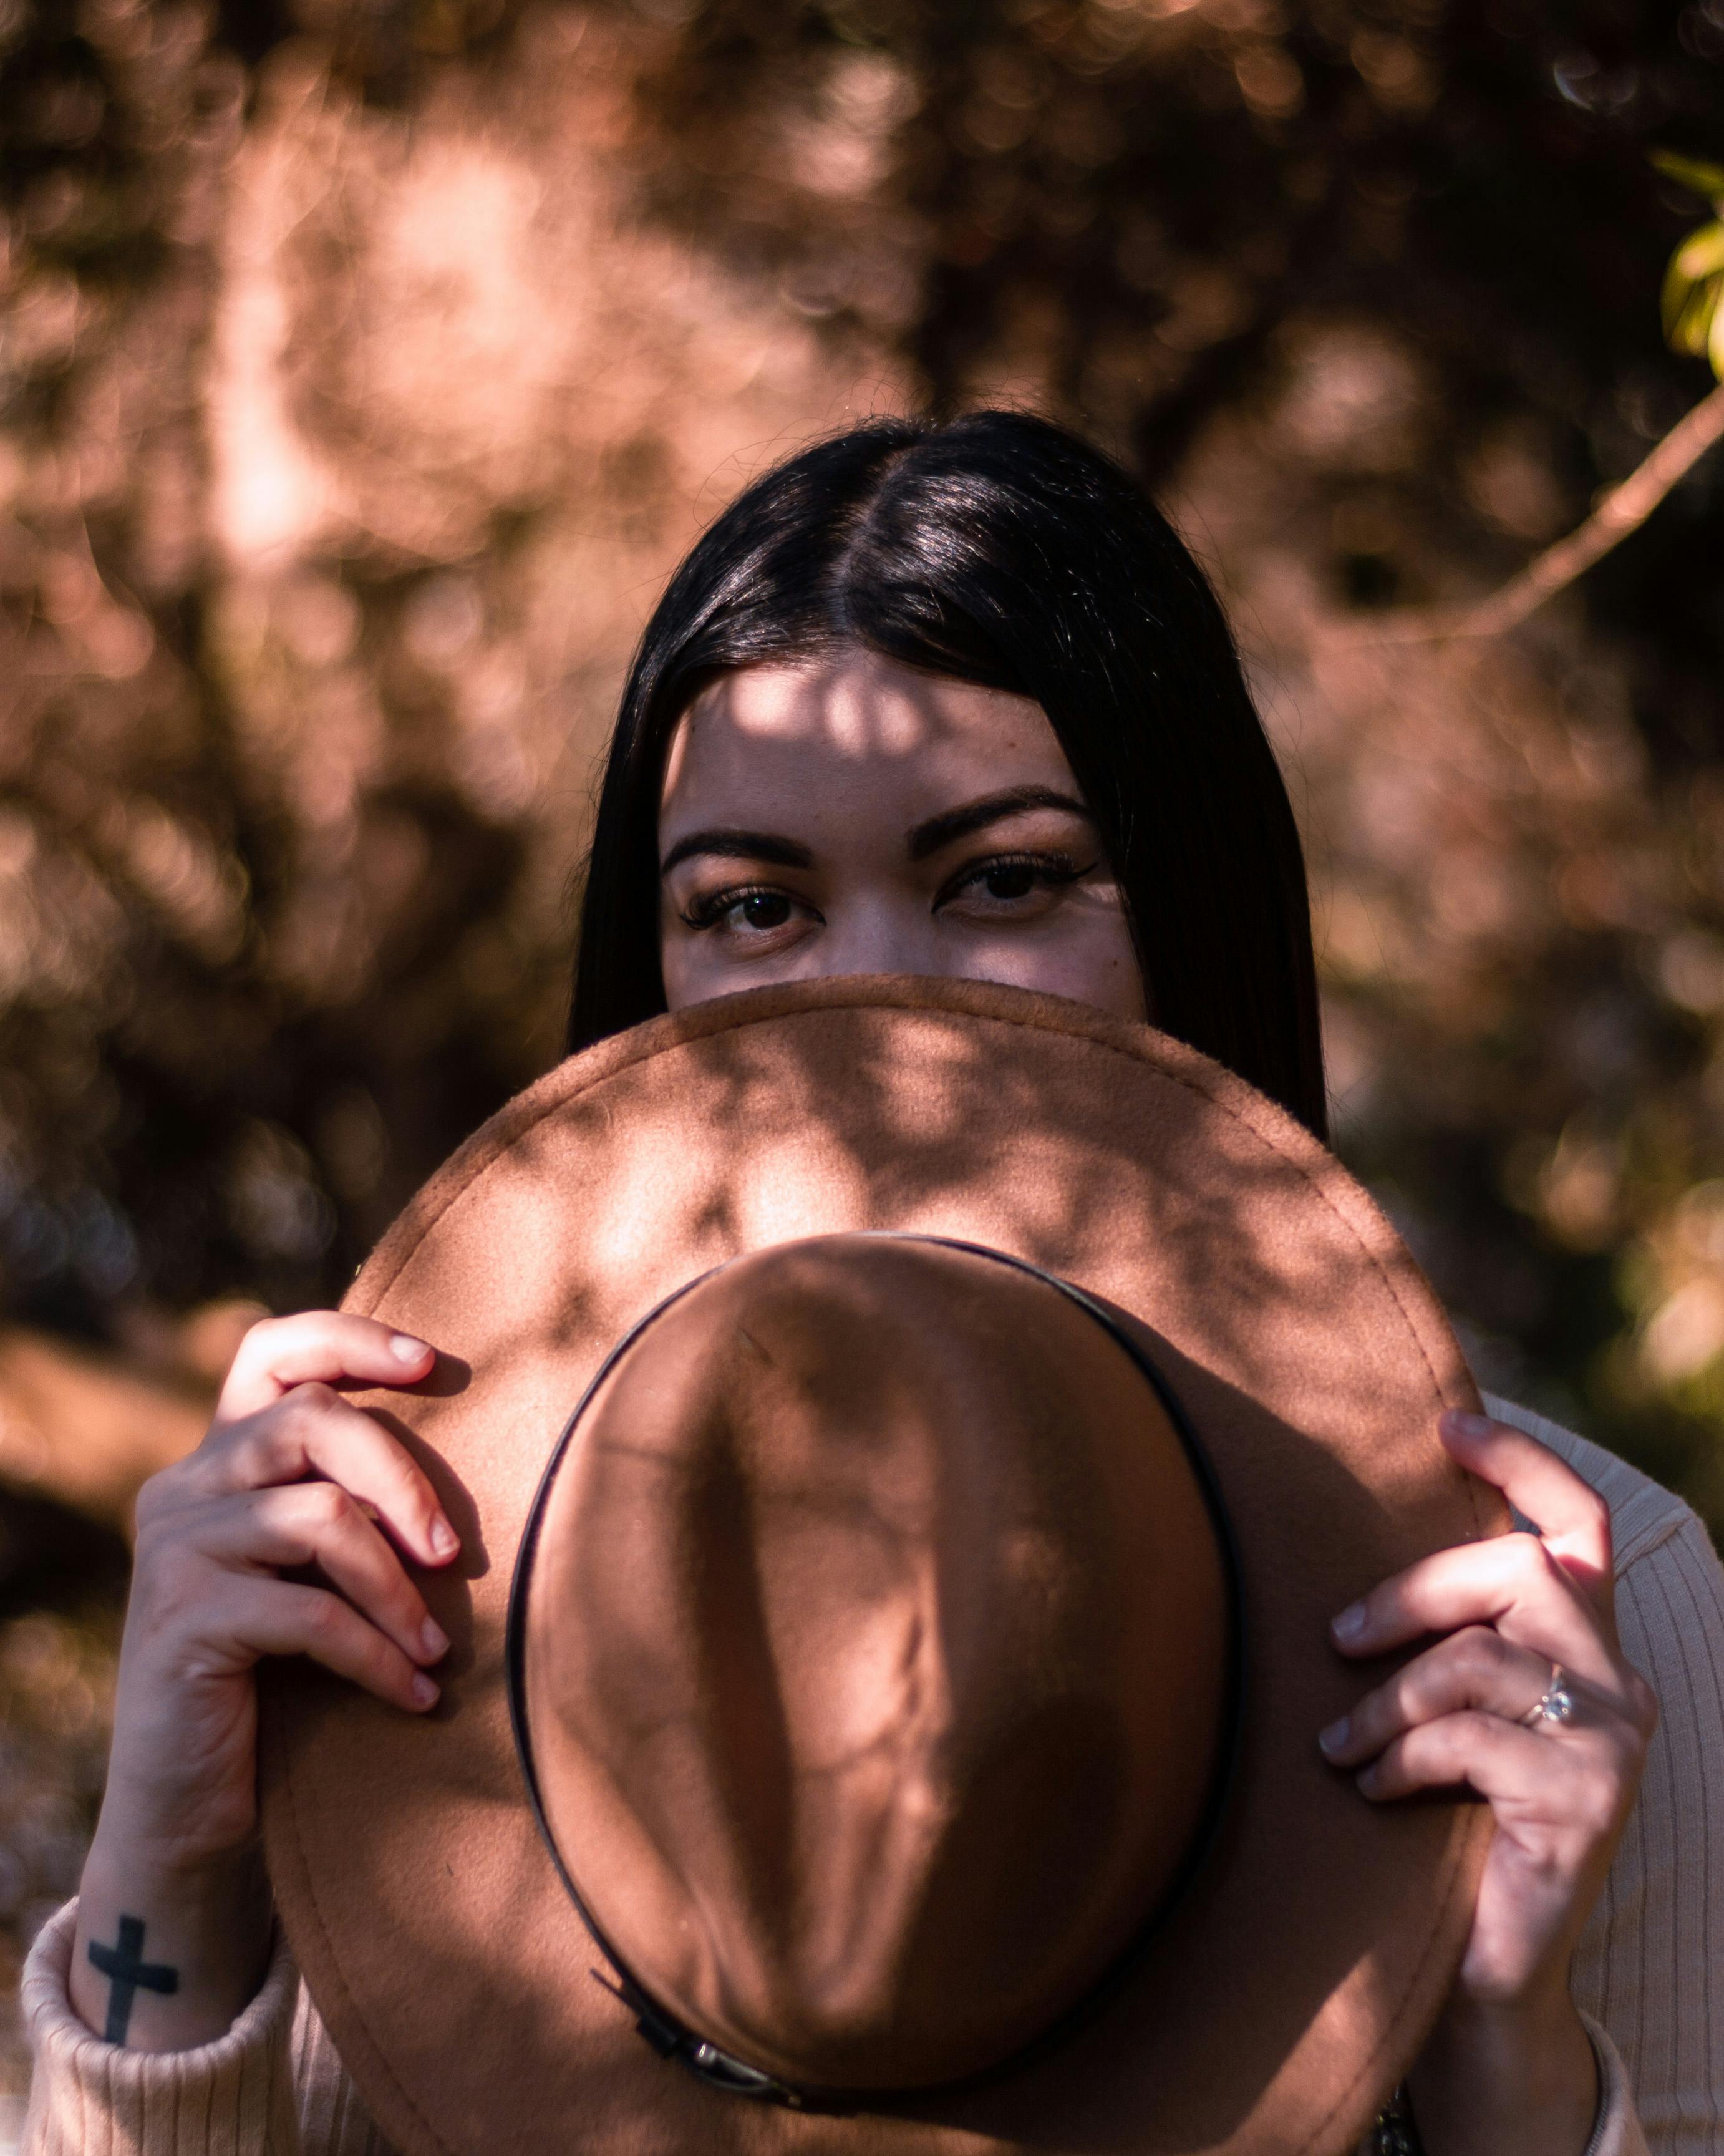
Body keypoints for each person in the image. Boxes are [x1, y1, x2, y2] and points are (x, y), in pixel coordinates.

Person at [21, 412, 1724, 2156]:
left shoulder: (1574, 1615)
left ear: (1191, 909)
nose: (874, 1025)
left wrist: (1507, 2063)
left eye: (1004, 881)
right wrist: (178, 1880)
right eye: (751, 909)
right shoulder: (400, 1590)